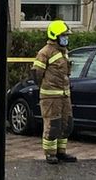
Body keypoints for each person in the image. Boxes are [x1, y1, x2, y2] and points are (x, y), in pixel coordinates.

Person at [30, 19, 77, 164]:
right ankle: (50, 153)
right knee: (52, 124)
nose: (66, 38)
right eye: (63, 36)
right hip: (50, 97)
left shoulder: (64, 52)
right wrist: (47, 88)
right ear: (55, 36)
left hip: (64, 95)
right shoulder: (45, 52)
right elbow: (37, 73)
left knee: (66, 124)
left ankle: (61, 152)